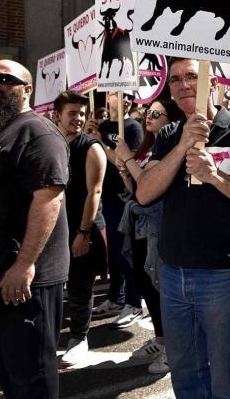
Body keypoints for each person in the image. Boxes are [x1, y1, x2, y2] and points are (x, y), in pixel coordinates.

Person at [135, 58, 230, 398]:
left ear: (213, 82)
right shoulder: (168, 134)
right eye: (176, 79)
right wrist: (182, 145)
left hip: (221, 277)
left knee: (228, 381)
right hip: (172, 273)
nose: (183, 85)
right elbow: (145, 191)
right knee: (186, 378)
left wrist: (215, 177)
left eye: (192, 76)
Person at [0, 60, 70, 398]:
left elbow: (49, 198)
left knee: (31, 376)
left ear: (28, 89)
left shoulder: (36, 131)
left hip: (22, 279)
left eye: (6, 79)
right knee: (8, 371)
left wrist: (23, 264)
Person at [115, 98, 184, 374]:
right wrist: (124, 168)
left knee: (160, 287)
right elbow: (136, 188)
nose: (149, 116)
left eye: (157, 113)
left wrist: (128, 159)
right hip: (141, 223)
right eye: (148, 112)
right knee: (146, 283)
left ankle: (174, 348)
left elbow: (148, 184)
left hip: (160, 224)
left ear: (171, 119)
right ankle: (161, 339)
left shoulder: (169, 146)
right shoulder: (149, 146)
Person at [52, 91, 109, 368]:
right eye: (72, 113)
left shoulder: (91, 148)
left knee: (79, 287)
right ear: (57, 116)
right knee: (52, 287)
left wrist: (83, 233)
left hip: (81, 229)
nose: (78, 118)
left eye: (82, 113)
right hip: (54, 229)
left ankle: (79, 339)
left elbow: (94, 192)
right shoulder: (51, 145)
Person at [88, 92, 144, 327]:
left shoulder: (132, 128)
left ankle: (133, 303)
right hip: (105, 197)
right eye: (118, 94)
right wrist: (87, 135)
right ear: (107, 97)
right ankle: (115, 298)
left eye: (130, 95)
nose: (126, 99)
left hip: (125, 196)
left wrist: (100, 142)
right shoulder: (100, 126)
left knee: (126, 252)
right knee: (113, 255)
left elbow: (122, 162)